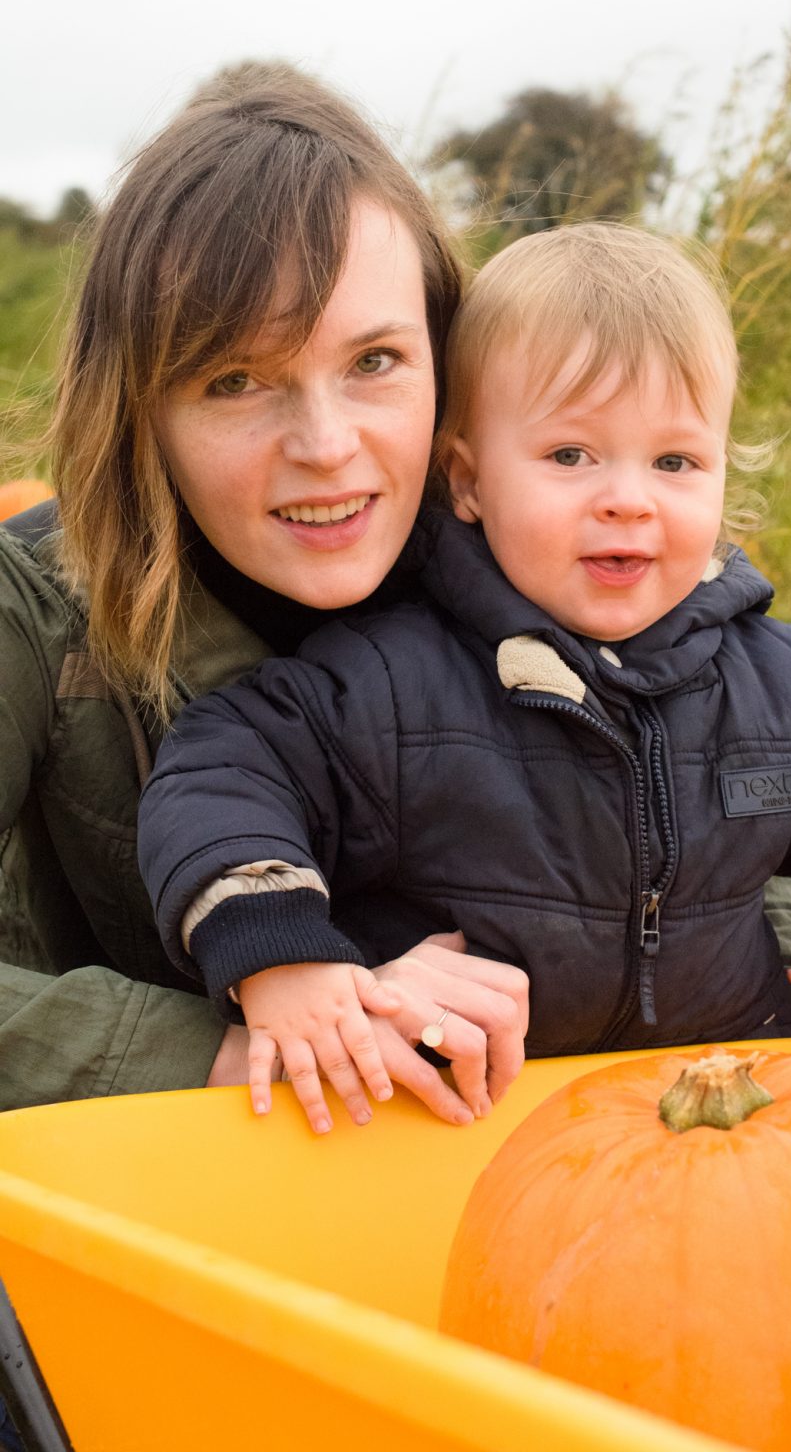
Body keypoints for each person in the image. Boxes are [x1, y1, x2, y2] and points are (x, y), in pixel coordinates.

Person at [137, 222, 791, 1135]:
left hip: (719, 1116)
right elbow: (227, 767)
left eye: (675, 461)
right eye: (571, 456)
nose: (627, 497)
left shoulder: (779, 680)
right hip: (468, 1129)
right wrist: (285, 957)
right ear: (469, 480)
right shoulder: (395, 676)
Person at [0, 61, 534, 1125]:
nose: (327, 448)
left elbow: (759, 886)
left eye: (374, 360)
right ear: (139, 408)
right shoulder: (34, 609)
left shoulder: (558, 571)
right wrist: (250, 1048)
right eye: (234, 381)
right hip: (119, 1218)